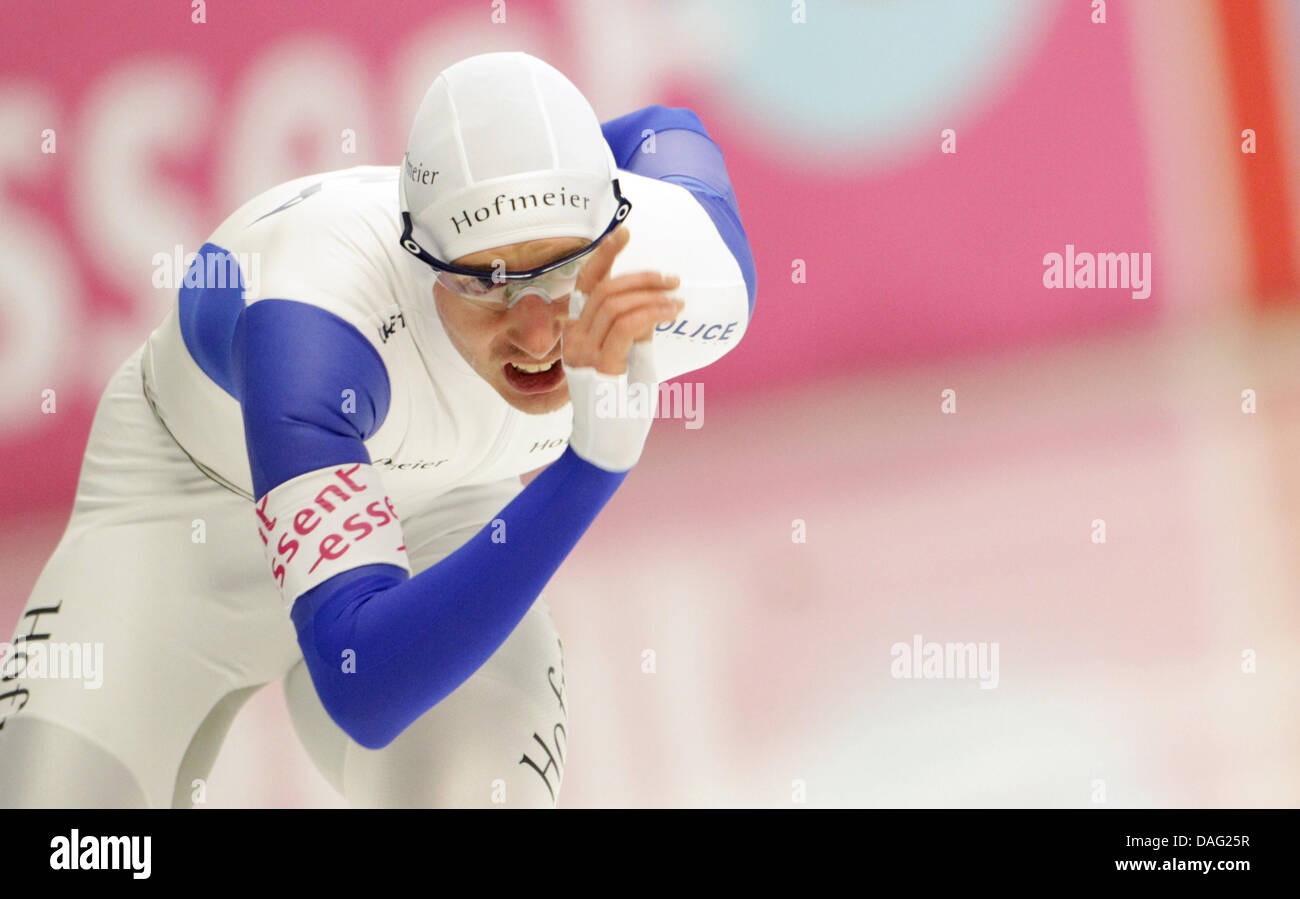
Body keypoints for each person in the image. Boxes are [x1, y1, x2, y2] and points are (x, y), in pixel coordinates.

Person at [0, 50, 756, 808]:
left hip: (439, 516)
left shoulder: (677, 272)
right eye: (486, 283)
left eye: (561, 270)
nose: (535, 335)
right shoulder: (310, 325)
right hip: (180, 529)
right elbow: (364, 684)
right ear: (417, 257)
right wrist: (589, 469)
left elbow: (666, 128)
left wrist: (540, 160)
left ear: (613, 228)